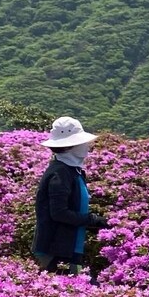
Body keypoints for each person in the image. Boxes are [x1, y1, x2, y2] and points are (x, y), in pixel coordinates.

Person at [33, 116, 108, 275]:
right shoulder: (60, 173)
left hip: (69, 245)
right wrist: (92, 220)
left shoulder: (72, 170)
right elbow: (59, 213)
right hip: (57, 249)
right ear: (69, 147)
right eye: (82, 142)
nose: (87, 146)